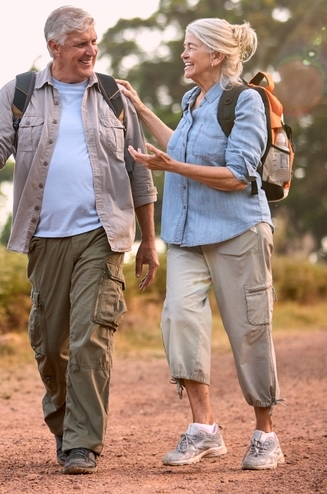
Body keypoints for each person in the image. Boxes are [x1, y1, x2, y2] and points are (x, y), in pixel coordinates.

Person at [0, 6, 159, 475]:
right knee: (52, 345)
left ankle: (82, 444)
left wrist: (149, 241)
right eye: (80, 44)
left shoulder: (114, 95)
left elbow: (140, 172)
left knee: (90, 336)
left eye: (93, 41)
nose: (91, 50)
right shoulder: (20, 94)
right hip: (45, 237)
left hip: (104, 233)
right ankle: (66, 423)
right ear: (55, 47)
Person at [117, 18, 283, 470]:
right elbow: (181, 151)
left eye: (192, 47)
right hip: (187, 236)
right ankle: (204, 428)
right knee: (180, 321)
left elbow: (237, 174)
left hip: (239, 233)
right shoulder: (194, 99)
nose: (184, 54)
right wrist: (141, 109)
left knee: (249, 330)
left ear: (217, 54)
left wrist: (170, 168)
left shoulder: (244, 100)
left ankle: (266, 434)